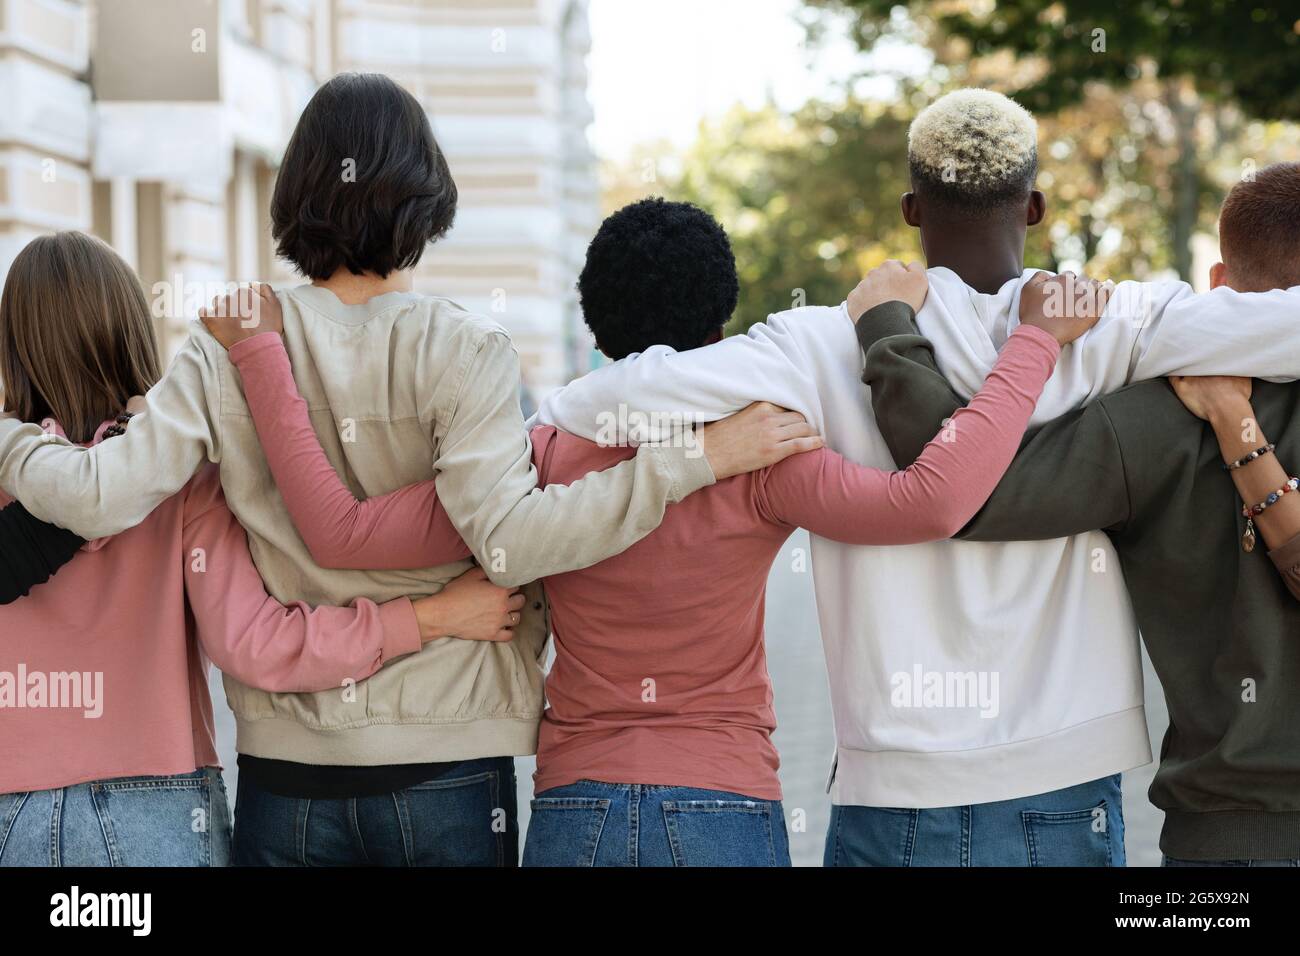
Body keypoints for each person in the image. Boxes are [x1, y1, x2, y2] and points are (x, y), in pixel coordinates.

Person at [0, 74, 782, 866]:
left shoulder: (226, 345)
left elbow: (97, 499)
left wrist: (9, 436)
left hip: (289, 763)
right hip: (446, 757)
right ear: (427, 199)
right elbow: (515, 542)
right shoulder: (466, 350)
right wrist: (696, 461)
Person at [523, 89, 1300, 866]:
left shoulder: (818, 343)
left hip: (892, 785)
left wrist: (561, 415)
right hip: (1063, 774)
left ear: (910, 208)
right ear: (1033, 207)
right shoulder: (1111, 324)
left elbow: (621, 391)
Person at [199, 198, 1097, 866]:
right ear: (719, 324)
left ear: (595, 323)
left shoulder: (533, 458)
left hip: (574, 810)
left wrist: (260, 356)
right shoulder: (759, 450)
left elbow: (345, 533)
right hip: (725, 805)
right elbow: (933, 501)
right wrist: (1034, 346)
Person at [0, 231, 521, 866]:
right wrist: (425, 617)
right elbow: (254, 643)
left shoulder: (17, 464)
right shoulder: (184, 485)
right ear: (133, 333)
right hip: (154, 809)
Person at [857, 160, 1300, 866]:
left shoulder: (1156, 419)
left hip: (1232, 837)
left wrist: (890, 334)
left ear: (1219, 286)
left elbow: (966, 491)